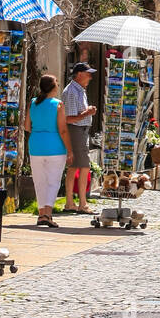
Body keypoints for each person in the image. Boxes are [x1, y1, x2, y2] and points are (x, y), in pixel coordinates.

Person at [24, 75, 72, 229]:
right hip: (55, 147)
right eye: (57, 83)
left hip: (35, 146)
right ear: (53, 87)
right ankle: (48, 214)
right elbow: (63, 130)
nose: (58, 85)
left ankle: (41, 214)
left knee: (39, 182)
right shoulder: (58, 104)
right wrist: (70, 150)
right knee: (53, 182)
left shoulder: (33, 103)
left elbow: (26, 126)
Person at [62, 60, 96, 213]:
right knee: (84, 166)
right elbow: (69, 118)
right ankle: (82, 203)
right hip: (76, 130)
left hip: (80, 130)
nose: (90, 78)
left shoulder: (79, 89)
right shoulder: (71, 91)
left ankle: (70, 202)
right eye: (88, 74)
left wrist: (87, 112)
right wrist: (87, 113)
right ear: (80, 74)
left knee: (74, 166)